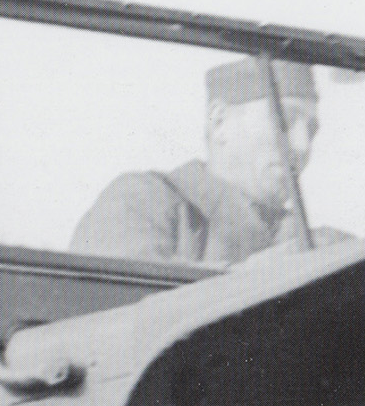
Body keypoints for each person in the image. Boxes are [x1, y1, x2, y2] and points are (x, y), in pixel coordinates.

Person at [70, 57, 329, 266]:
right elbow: (114, 302)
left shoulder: (302, 237)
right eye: (284, 121)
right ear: (219, 123)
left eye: (312, 131)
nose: (302, 145)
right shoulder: (142, 199)